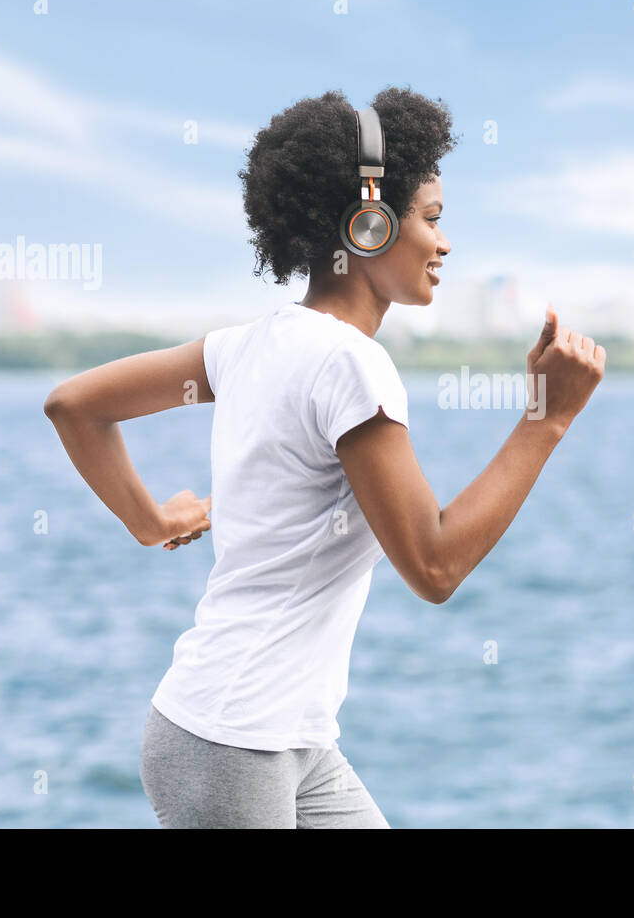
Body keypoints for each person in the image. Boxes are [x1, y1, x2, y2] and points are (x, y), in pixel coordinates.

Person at [43, 86, 605, 827]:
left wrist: (150, 522)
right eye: (431, 219)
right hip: (232, 744)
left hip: (287, 741)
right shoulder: (349, 365)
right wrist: (548, 419)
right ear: (368, 225)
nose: (444, 243)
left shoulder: (244, 346)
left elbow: (75, 406)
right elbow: (434, 567)